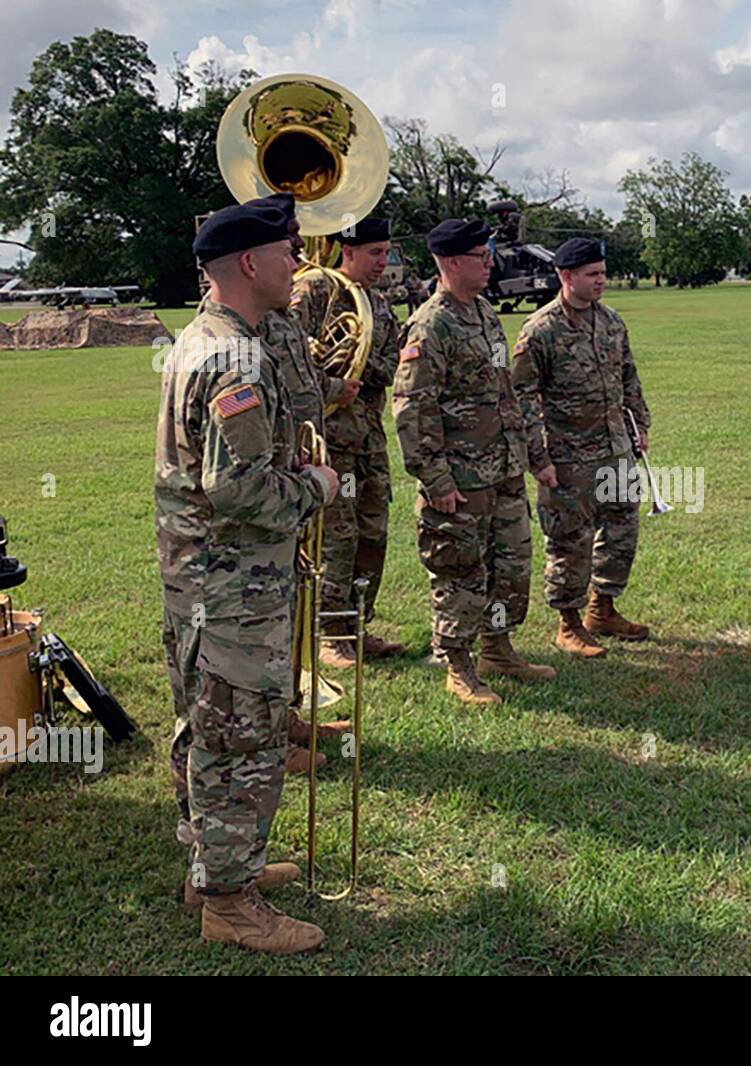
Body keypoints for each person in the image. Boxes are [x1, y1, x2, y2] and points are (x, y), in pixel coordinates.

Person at [158, 196, 340, 952]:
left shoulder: (207, 339)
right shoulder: (235, 358)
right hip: (234, 589)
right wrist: (317, 490)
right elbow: (237, 489)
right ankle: (229, 905)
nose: (298, 263)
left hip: (203, 583)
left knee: (206, 728)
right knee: (244, 741)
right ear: (249, 264)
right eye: (287, 251)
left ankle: (217, 863)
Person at [393, 218, 554, 703]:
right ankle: (457, 662)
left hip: (502, 468)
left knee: (509, 566)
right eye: (479, 257)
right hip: (461, 478)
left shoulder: (484, 313)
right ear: (449, 262)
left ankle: (498, 648)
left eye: (487, 256)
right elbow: (412, 406)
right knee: (460, 569)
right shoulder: (431, 324)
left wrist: (530, 454)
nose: (490, 264)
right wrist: (437, 478)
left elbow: (507, 392)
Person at [512, 237, 653, 657]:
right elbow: (522, 397)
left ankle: (602, 608)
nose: (601, 282)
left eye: (603, 274)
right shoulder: (541, 330)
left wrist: (640, 424)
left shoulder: (611, 322)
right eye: (592, 275)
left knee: (621, 529)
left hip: (615, 448)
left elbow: (629, 377)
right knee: (570, 539)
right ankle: (568, 623)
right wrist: (539, 458)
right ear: (565, 276)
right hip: (568, 457)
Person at [293, 217, 406, 668]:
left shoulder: (379, 305)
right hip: (326, 439)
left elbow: (391, 364)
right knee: (335, 536)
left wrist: (361, 369)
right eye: (375, 253)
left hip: (367, 437)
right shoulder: (316, 290)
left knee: (371, 530)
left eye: (386, 253)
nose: (382, 262)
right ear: (349, 251)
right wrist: (332, 384)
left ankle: (357, 625)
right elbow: (288, 360)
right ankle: (326, 632)